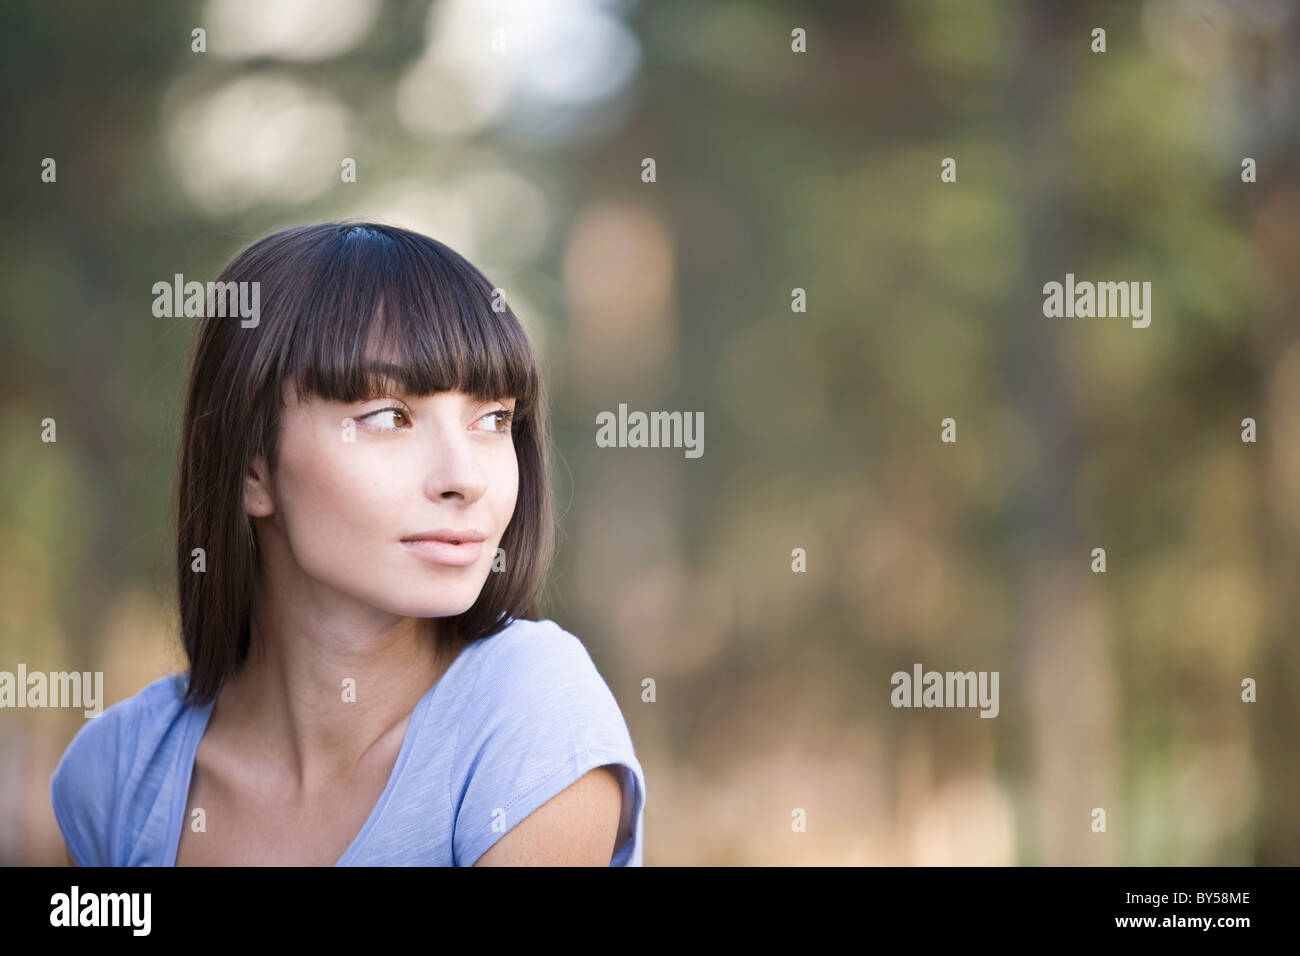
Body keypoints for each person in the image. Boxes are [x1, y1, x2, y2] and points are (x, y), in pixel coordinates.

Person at [50, 222, 645, 866]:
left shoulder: (530, 711)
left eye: (493, 419)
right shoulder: (114, 779)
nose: (466, 479)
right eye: (389, 417)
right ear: (252, 465)